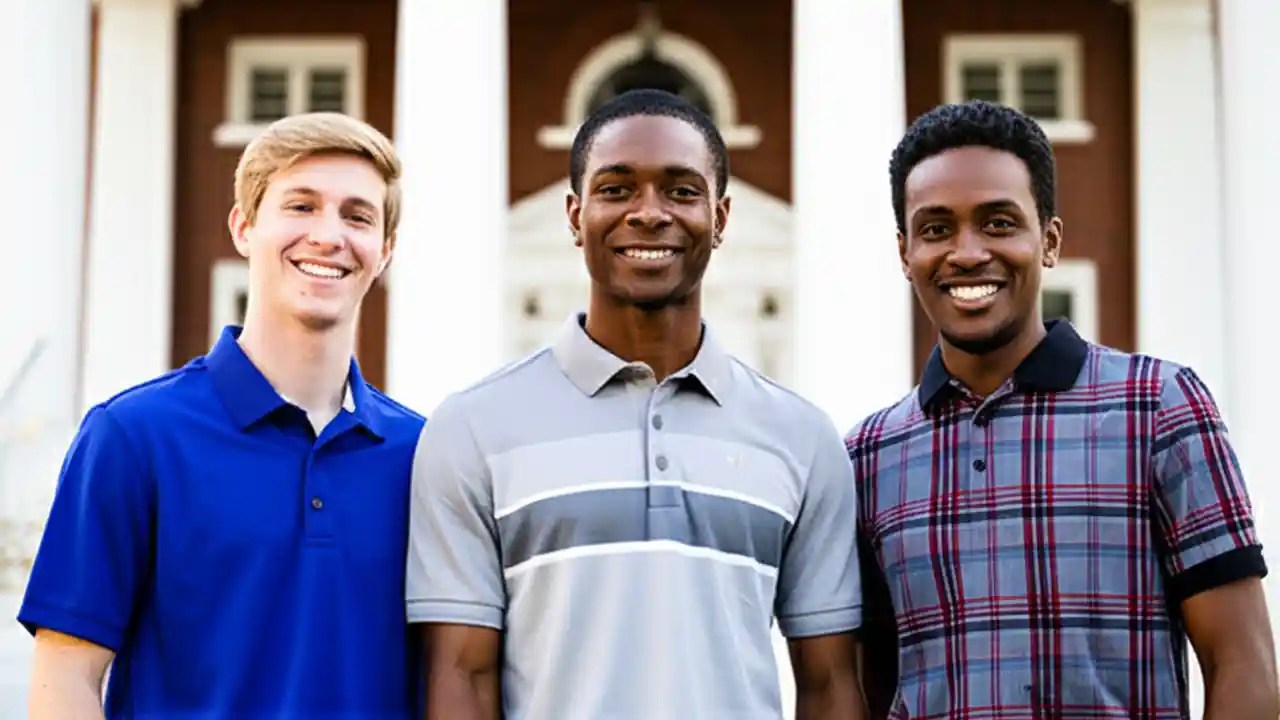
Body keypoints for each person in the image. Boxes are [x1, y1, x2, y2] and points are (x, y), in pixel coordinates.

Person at [405, 88, 867, 719]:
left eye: (681, 190)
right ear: (574, 215)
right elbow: (461, 675)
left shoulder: (804, 438)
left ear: (721, 218)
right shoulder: (471, 430)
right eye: (617, 189)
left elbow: (831, 684)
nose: (649, 213)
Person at [847, 99, 1278, 719]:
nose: (967, 252)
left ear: (1048, 241)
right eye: (937, 229)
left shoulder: (1159, 408)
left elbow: (1244, 664)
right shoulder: (866, 456)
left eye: (998, 223)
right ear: (904, 253)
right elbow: (867, 687)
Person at [20, 112, 424, 719]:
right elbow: (66, 681)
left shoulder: (422, 452)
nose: (329, 235)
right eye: (301, 206)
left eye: (358, 216)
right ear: (243, 227)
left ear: (384, 251)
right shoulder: (134, 437)